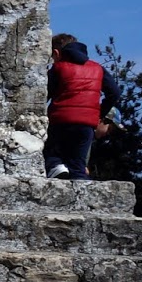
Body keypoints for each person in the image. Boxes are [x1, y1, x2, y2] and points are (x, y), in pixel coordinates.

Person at [45, 32, 121, 181]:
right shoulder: (97, 68)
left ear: (56, 53)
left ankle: (57, 167)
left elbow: (44, 94)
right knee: (78, 165)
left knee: (51, 153)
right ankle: (83, 196)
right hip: (87, 125)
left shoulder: (59, 67)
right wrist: (99, 113)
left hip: (61, 120)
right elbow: (115, 92)